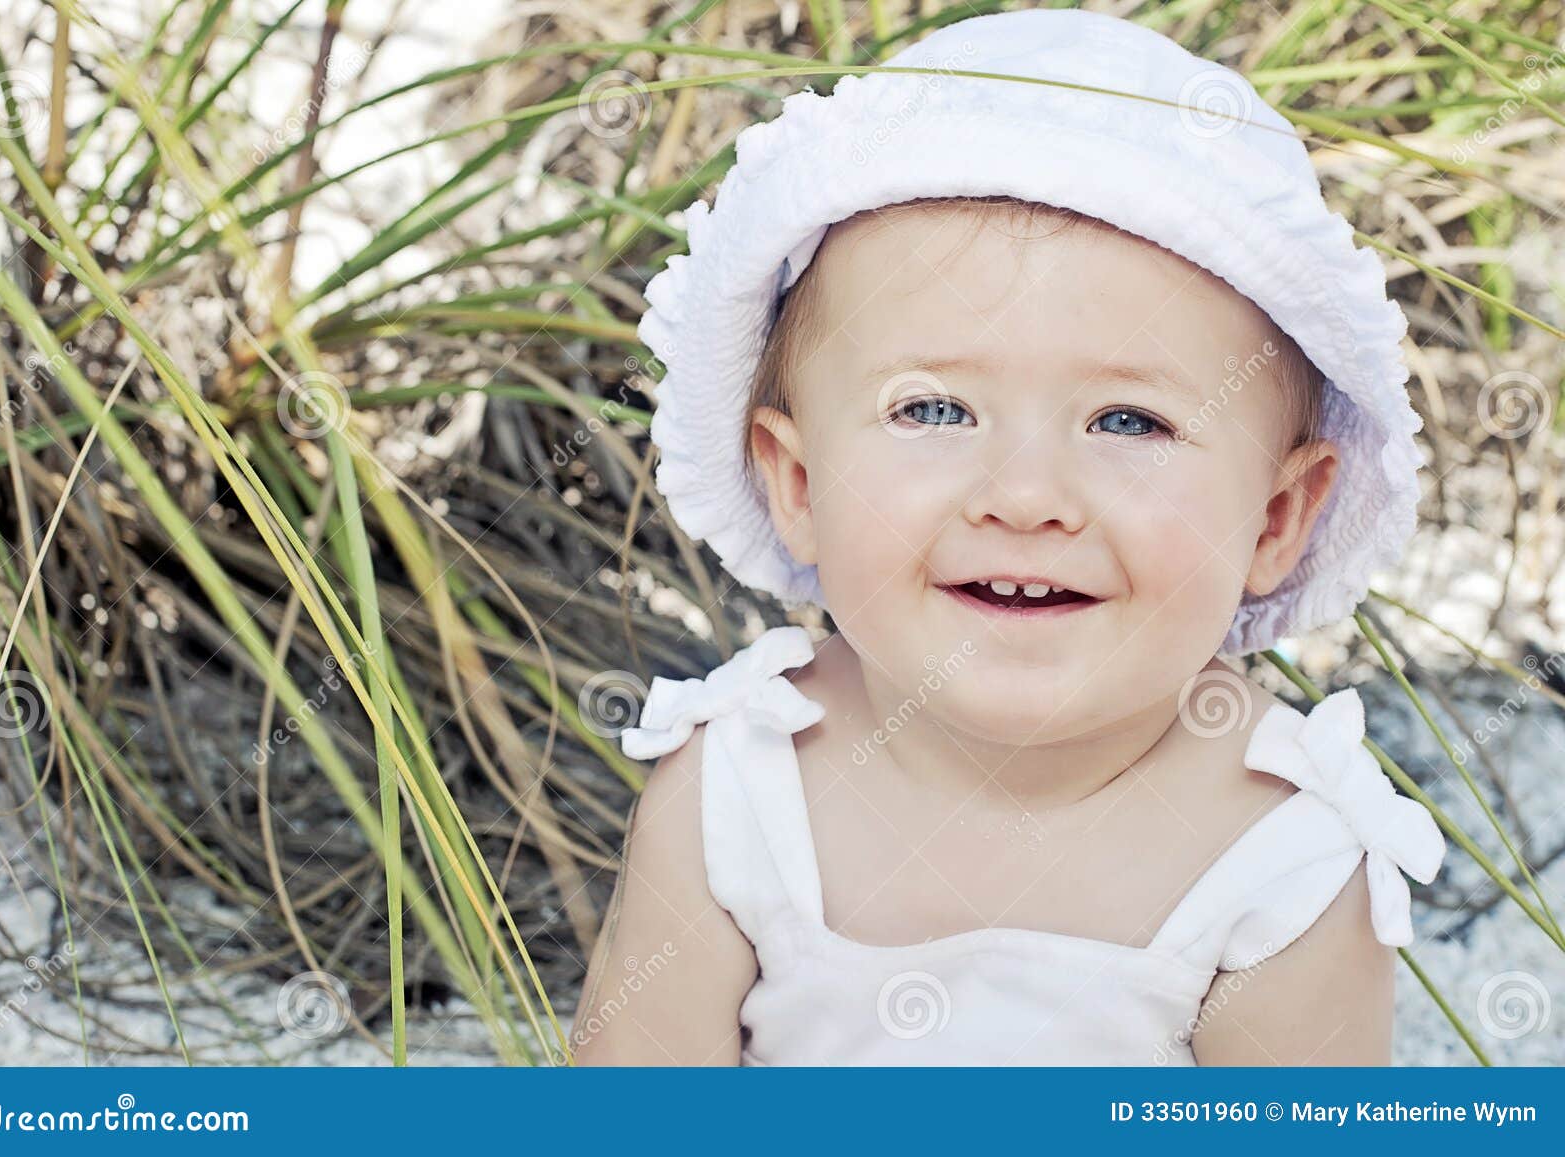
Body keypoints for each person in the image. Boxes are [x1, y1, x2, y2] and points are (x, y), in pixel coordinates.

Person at [570, 7, 1445, 1066]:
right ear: (797, 480)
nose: (1025, 495)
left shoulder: (1281, 860)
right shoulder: (737, 792)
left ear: (1273, 518)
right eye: (932, 409)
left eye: (1130, 421)